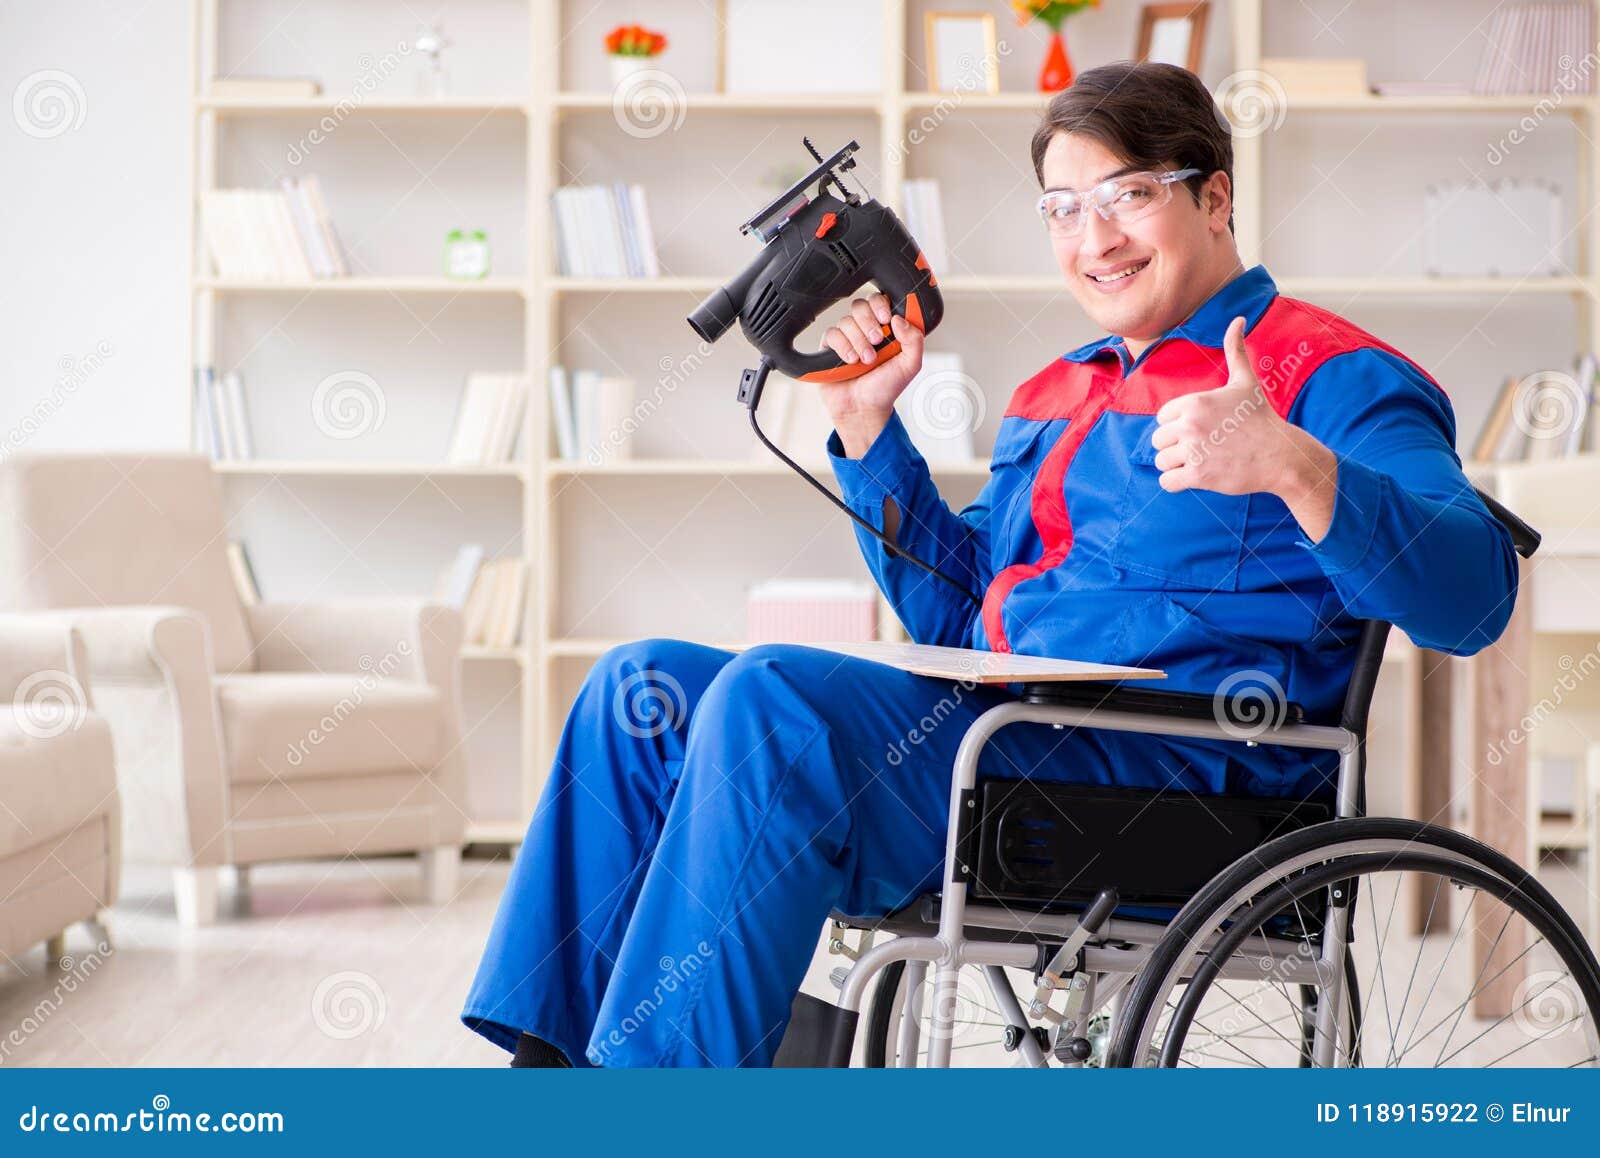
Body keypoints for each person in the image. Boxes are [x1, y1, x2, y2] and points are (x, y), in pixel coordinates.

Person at [460, 60, 1518, 1068]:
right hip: (1013, 748)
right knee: (637, 688)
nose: (1091, 237)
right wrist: (870, 433)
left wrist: (1294, 465)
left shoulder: (1334, 375)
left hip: (1191, 793)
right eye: (1062, 208)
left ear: (1215, 198)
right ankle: (555, 1084)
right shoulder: (1054, 392)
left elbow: (1471, 598)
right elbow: (960, 616)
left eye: (1127, 194)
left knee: (774, 702)